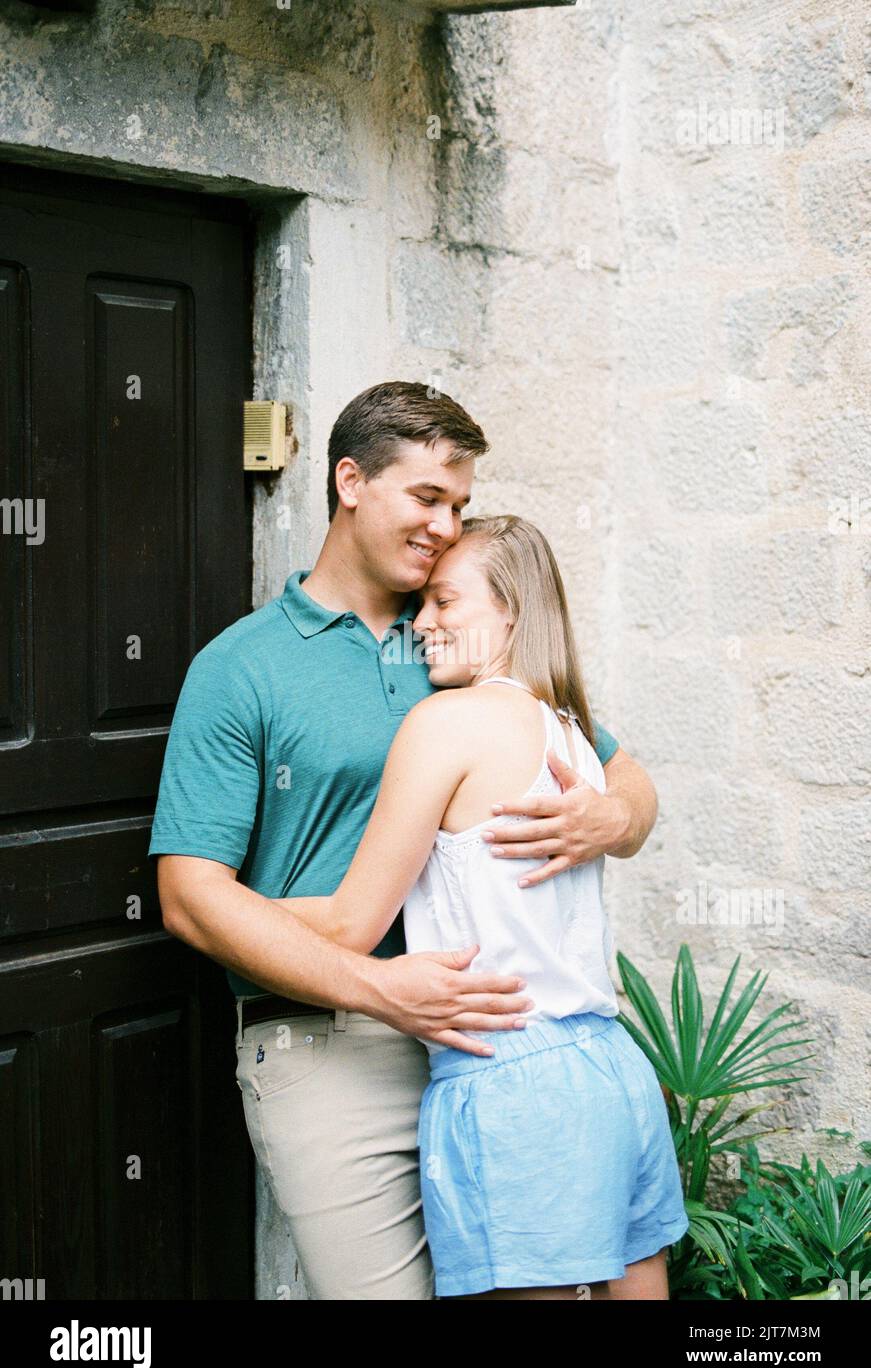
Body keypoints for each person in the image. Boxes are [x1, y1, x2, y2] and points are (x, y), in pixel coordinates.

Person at [151, 381, 659, 1300]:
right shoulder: (241, 668)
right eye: (427, 497)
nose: (443, 524)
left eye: (458, 505)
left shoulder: (459, 639)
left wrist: (613, 816)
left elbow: (616, 769)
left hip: (492, 1048)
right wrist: (381, 988)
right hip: (328, 1042)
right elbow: (189, 896)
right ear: (350, 481)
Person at [271, 514, 688, 1300]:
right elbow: (631, 798)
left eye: (443, 602)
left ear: (511, 612)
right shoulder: (568, 731)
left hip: (508, 1080)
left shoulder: (448, 722)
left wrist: (206, 905)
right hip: (608, 1069)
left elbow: (351, 926)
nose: (420, 623)